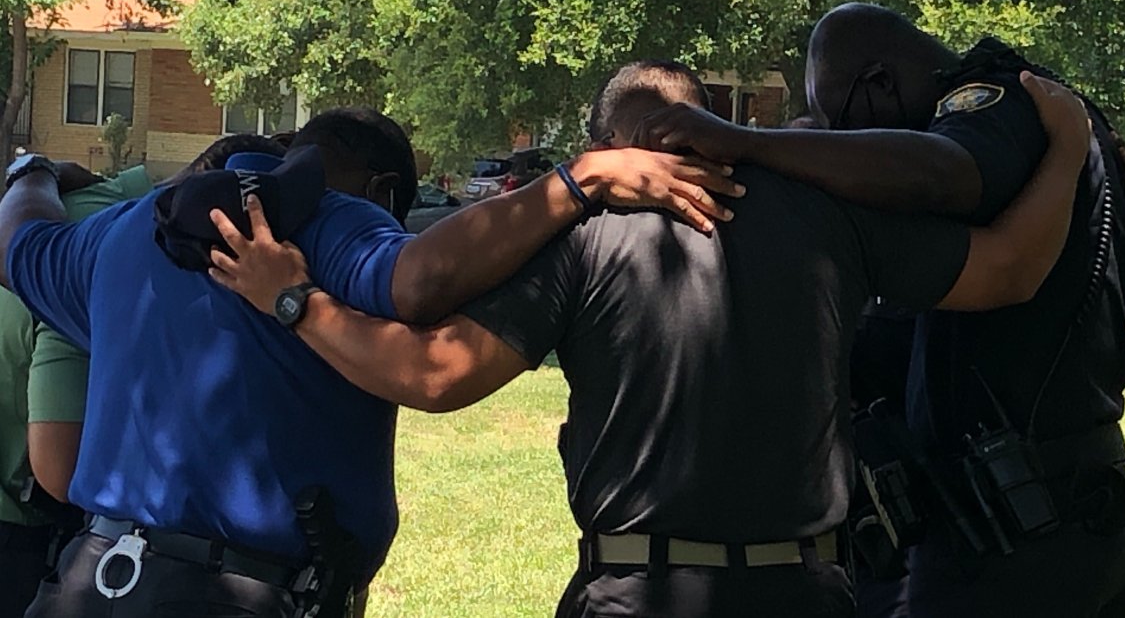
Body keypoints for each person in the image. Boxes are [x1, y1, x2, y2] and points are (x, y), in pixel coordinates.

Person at [200, 61, 1090, 617]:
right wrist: (1067, 146)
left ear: (608, 145)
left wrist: (295, 302)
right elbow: (1011, 269)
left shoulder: (582, 236)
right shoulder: (828, 216)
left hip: (638, 589)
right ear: (705, 124)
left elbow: (432, 376)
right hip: (808, 589)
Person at [0, 106, 735, 617]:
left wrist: (30, 172)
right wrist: (580, 181)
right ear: (383, 193)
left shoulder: (119, 235)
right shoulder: (334, 222)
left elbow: (18, 242)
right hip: (237, 594)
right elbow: (420, 280)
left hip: (88, 582)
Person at [634, 3, 1125, 617]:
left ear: (880, 83)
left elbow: (947, 175)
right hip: (1045, 514)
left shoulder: (1000, 103)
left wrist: (749, 141)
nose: (843, 146)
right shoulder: (1022, 147)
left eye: (844, 123)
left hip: (1024, 526)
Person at [0, 161, 154, 618]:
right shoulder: (102, 256)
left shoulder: (80, 209)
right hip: (17, 533)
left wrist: (33, 171)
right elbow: (59, 471)